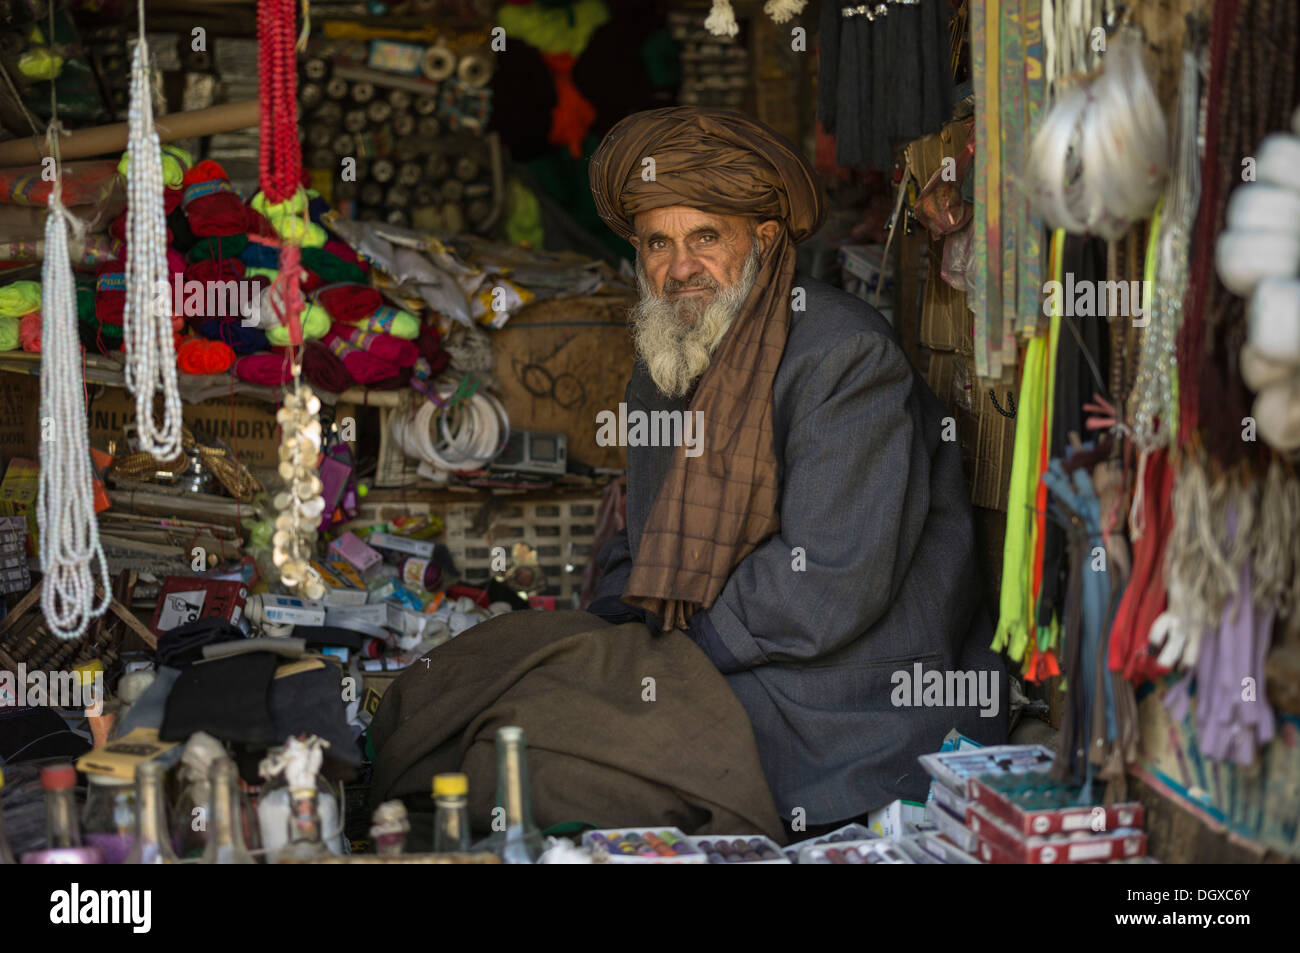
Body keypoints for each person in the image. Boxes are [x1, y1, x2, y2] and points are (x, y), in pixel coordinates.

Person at [587, 107, 1008, 836]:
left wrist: (673, 652)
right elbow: (642, 535)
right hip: (726, 664)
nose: (679, 267)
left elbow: (825, 582)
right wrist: (614, 626)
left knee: (579, 756)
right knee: (519, 688)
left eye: (705, 237)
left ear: (767, 238)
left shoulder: (841, 355)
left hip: (847, 707)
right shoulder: (663, 364)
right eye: (658, 242)